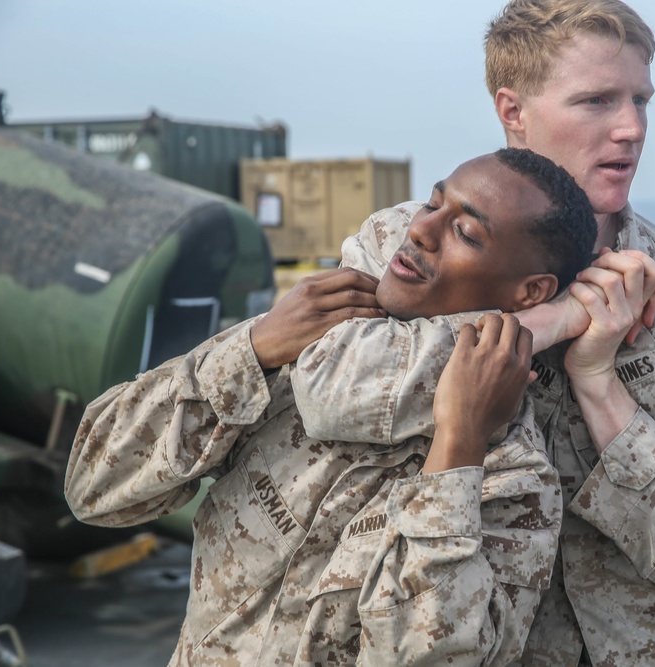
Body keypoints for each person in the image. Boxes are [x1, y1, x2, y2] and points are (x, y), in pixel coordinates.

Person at [301, 1, 655, 664]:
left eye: (641, 100)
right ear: (513, 112)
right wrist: (538, 325)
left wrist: (599, 382)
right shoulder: (404, 246)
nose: (631, 128)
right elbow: (327, 391)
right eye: (596, 101)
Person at [65, 148, 599, 666]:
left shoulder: (513, 479)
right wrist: (253, 348)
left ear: (531, 293)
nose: (420, 231)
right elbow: (94, 487)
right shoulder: (308, 353)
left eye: (465, 232)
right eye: (434, 205)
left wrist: (457, 448)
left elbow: (425, 656)